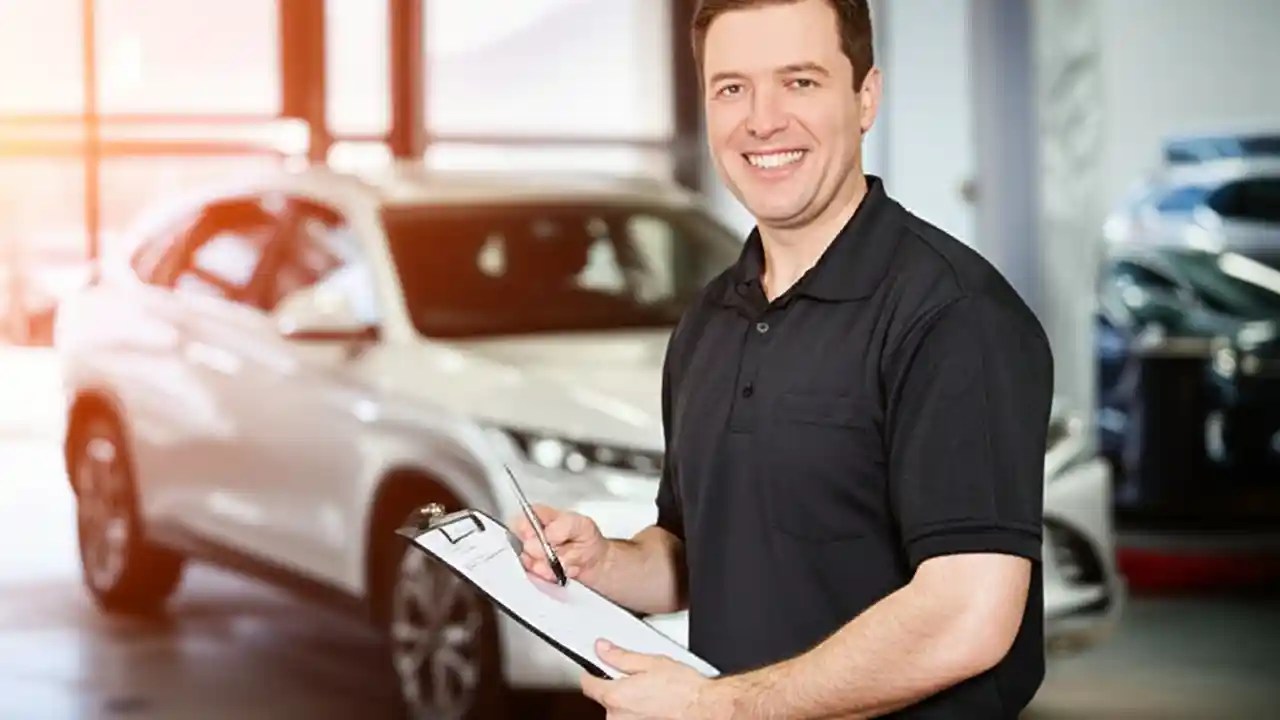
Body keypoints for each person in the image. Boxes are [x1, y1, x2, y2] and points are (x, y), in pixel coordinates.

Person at [512, 0, 1053, 716]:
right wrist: (606, 561)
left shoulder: (954, 316)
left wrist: (719, 708)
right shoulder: (711, 319)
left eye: (799, 82)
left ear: (866, 97)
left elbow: (967, 615)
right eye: (731, 88)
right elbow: (694, 553)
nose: (761, 120)